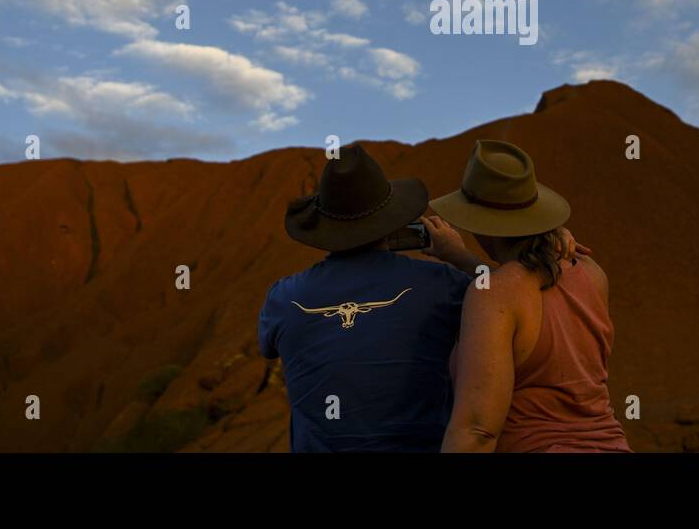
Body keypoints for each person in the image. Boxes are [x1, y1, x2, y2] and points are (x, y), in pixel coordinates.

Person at [257, 143, 580, 452]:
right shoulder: (446, 285)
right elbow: (514, 294)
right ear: (391, 221)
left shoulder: (283, 298)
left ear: (324, 226)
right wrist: (536, 242)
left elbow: (268, 346)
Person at [433, 140, 630, 453]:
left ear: (480, 225)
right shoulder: (593, 274)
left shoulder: (493, 295)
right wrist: (459, 256)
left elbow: (477, 430)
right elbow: (530, 286)